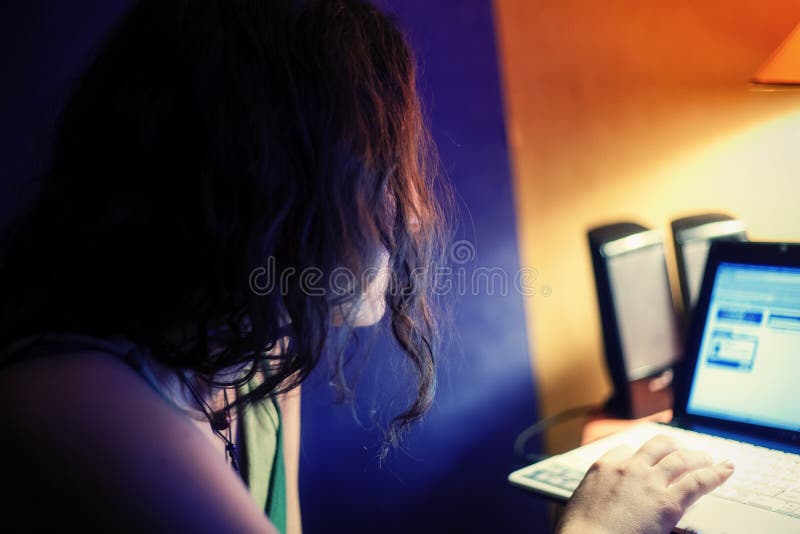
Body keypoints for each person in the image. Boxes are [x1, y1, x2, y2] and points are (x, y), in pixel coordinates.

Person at [0, 0, 733, 532]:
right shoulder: (78, 400)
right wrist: (598, 529)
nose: (414, 212)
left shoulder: (256, 349)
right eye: (380, 172)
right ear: (261, 182)